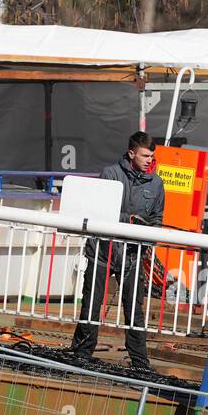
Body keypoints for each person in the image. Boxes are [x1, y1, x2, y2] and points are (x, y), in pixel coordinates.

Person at [70, 131, 165, 371]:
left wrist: (149, 240)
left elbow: (157, 218)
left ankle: (140, 362)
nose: (149, 160)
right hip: (103, 251)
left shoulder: (156, 183)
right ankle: (82, 352)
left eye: (152, 156)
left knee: (135, 310)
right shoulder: (110, 174)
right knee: (91, 304)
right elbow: (100, 211)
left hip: (133, 256)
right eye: (145, 155)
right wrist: (130, 220)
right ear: (131, 153)